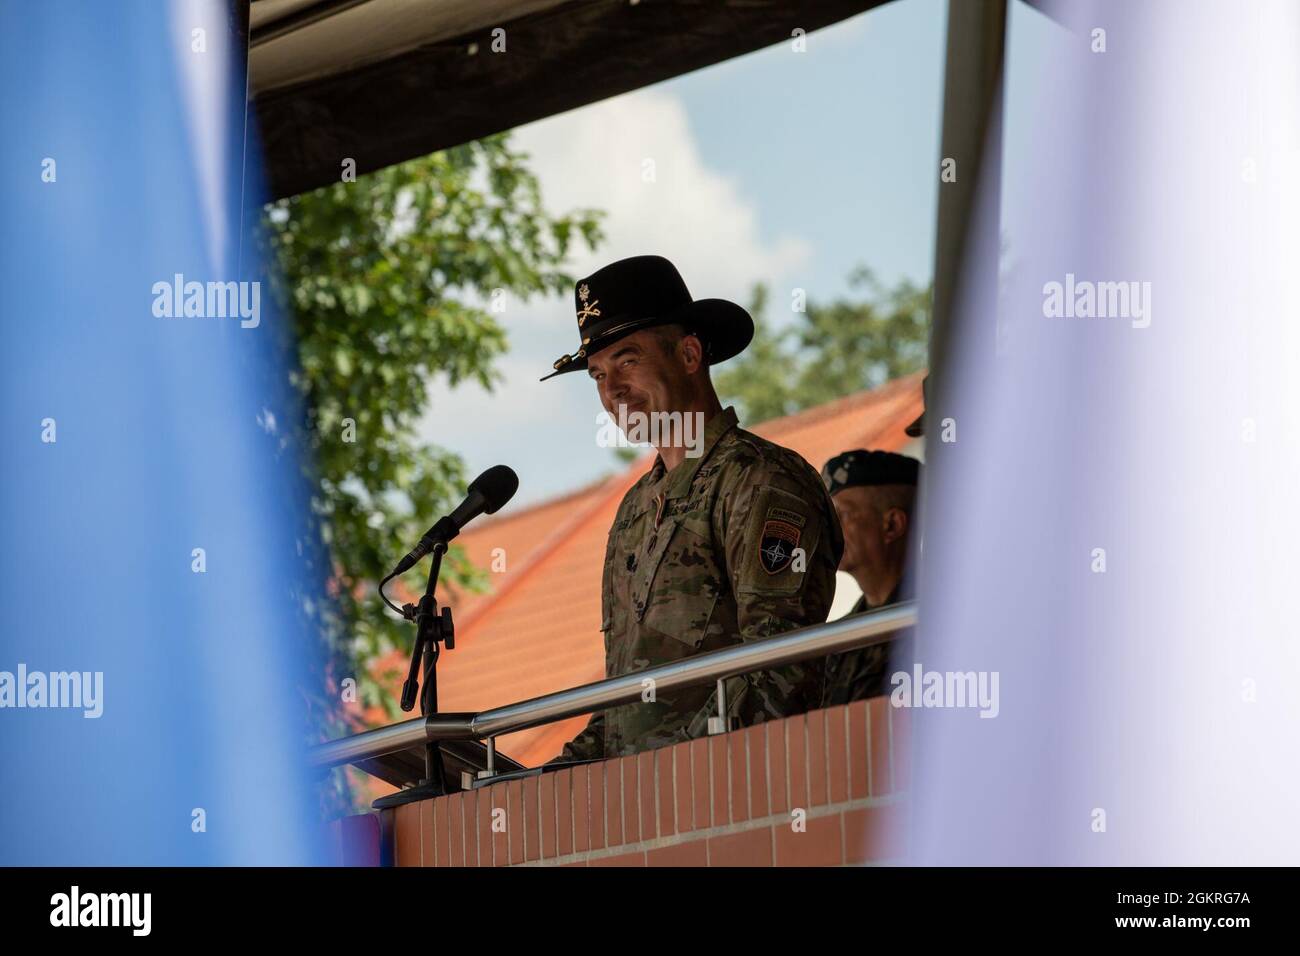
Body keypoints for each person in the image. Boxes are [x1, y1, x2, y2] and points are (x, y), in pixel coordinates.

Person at [541, 255, 843, 762]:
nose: (612, 390)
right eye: (597, 374)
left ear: (688, 354)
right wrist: (544, 781)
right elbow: (622, 707)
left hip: (731, 798)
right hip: (648, 810)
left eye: (628, 360)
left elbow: (782, 673)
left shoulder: (761, 479)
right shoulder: (634, 511)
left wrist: (670, 774)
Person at [818, 449, 920, 707]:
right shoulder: (841, 637)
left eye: (842, 515)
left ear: (892, 525)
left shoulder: (942, 618)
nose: (828, 530)